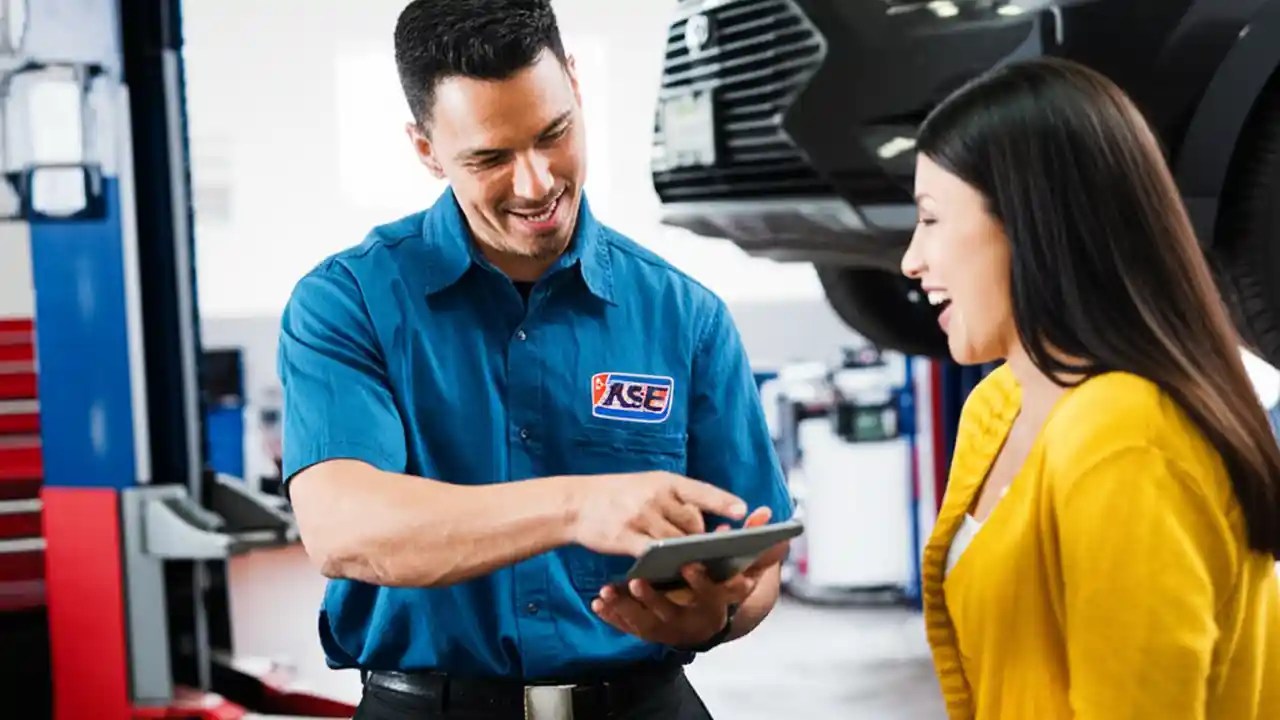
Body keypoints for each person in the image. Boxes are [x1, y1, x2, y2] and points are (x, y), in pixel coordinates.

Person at [275, 1, 794, 718]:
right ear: (426, 149)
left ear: (575, 86)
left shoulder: (686, 316)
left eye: (554, 135)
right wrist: (578, 505)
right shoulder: (348, 303)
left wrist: (721, 615)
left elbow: (757, 556)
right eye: (489, 158)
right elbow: (344, 529)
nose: (536, 184)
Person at [900, 57, 1280, 719]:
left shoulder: (1127, 440)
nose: (911, 259)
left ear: (1029, 223)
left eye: (931, 219)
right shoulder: (1000, 404)